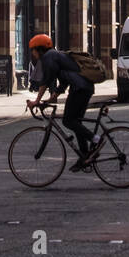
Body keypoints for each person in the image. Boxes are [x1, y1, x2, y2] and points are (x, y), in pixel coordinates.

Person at [25, 33, 95, 172]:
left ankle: (95, 139)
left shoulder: (48, 57)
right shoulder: (55, 55)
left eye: (33, 50)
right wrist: (53, 97)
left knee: (68, 121)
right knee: (76, 122)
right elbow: (64, 80)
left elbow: (46, 80)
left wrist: (36, 101)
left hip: (79, 89)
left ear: (39, 49)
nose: (32, 53)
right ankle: (85, 156)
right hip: (84, 88)